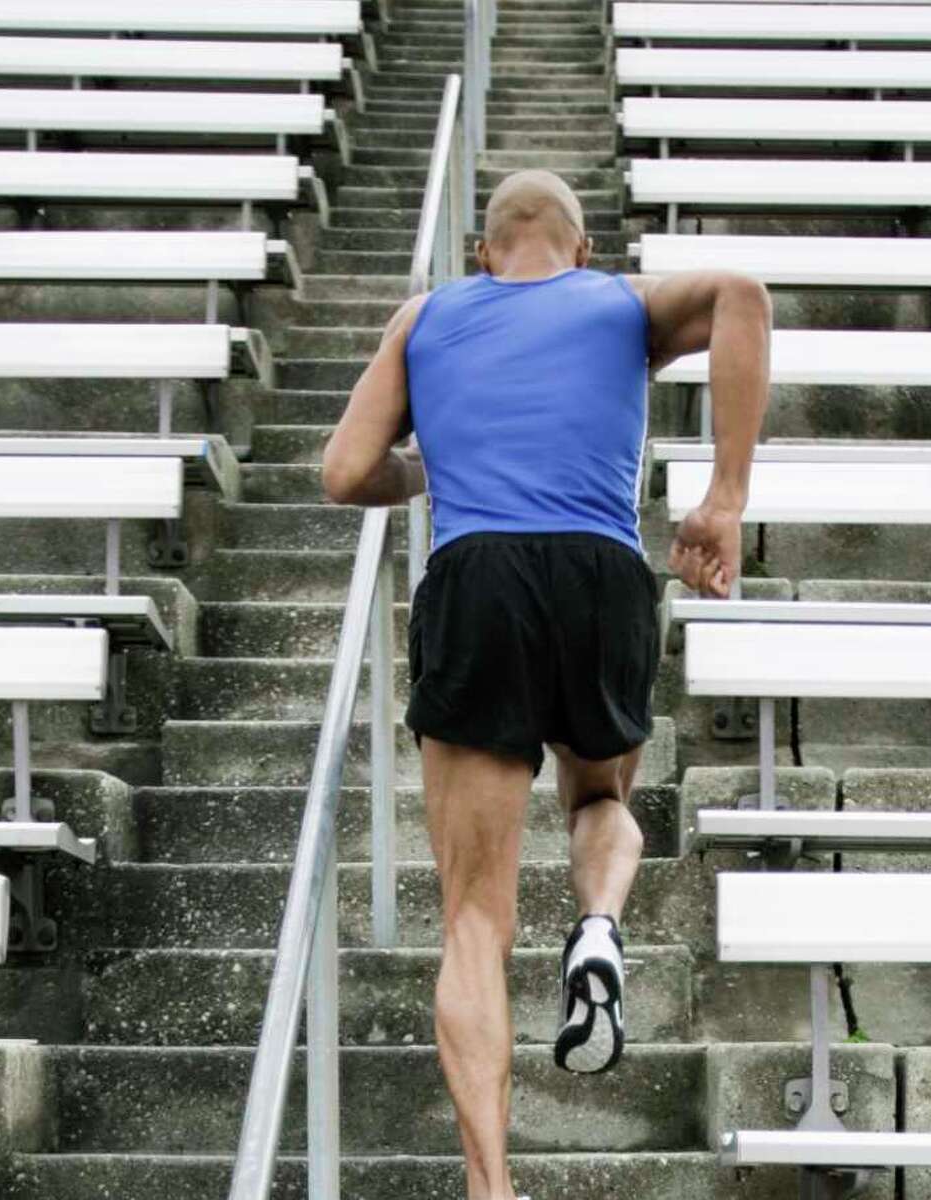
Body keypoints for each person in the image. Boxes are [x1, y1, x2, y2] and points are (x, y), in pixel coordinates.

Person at [322, 169, 771, 1200]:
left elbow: (345, 472)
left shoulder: (427, 317)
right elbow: (743, 295)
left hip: (480, 576)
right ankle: (601, 928)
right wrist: (723, 501)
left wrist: (431, 466)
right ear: (581, 248)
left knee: (475, 918)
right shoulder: (617, 303)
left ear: (484, 255)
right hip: (601, 570)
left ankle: (492, 1186)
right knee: (604, 796)